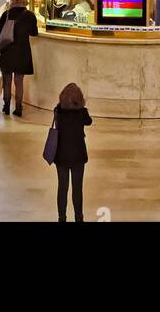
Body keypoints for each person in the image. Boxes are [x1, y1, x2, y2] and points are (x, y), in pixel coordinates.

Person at [50, 82, 93, 222]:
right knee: (77, 188)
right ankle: (79, 217)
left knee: (62, 187)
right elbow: (89, 122)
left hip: (61, 155)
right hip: (78, 156)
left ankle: (61, 218)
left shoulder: (58, 111)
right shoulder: (82, 113)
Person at [0, 0, 38, 117]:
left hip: (7, 52)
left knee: (7, 81)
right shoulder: (30, 15)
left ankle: (6, 106)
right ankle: (18, 108)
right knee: (19, 82)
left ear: (12, 1)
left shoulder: (6, 15)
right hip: (22, 53)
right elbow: (34, 33)